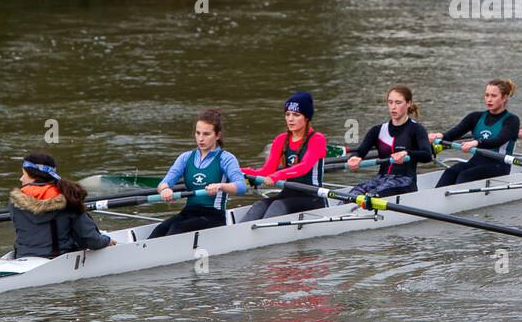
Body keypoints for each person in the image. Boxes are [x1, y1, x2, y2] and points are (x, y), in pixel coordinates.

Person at [149, 108, 247, 239]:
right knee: (160, 230)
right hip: (188, 212)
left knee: (177, 229)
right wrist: (165, 190)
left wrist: (221, 186)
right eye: (198, 133)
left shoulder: (226, 159)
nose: (201, 139)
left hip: (213, 217)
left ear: (217, 135)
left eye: (206, 134)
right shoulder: (185, 158)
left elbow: (241, 187)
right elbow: (163, 183)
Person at [9, 152, 115, 259]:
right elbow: (91, 240)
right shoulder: (68, 198)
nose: (21, 179)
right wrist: (107, 240)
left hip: (22, 257)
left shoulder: (16, 201)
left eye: (24, 174)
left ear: (34, 175)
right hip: (60, 260)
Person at [242, 92, 329, 220]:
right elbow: (266, 171)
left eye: (296, 115)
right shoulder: (280, 140)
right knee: (258, 205)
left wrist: (278, 175)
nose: (290, 119)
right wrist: (238, 171)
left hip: (312, 197)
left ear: (306, 118)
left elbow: (304, 167)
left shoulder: (317, 139)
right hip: (288, 193)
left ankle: (266, 237)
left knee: (277, 205)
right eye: (287, 114)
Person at [430, 79, 521, 188]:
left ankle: (459, 202)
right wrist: (439, 136)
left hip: (499, 165)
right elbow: (454, 133)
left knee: (465, 176)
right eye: (487, 95)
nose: (489, 100)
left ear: (505, 97)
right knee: (451, 172)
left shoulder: (512, 120)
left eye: (493, 96)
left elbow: (498, 141)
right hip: (476, 161)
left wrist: (476, 143)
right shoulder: (475, 117)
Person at [346, 86, 434, 197]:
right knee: (352, 195)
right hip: (381, 179)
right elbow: (360, 152)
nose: (393, 107)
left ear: (408, 103)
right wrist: (354, 157)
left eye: (398, 103)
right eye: (390, 102)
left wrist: (407, 153)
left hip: (405, 182)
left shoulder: (417, 129)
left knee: (371, 196)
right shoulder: (377, 130)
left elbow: (427, 155)